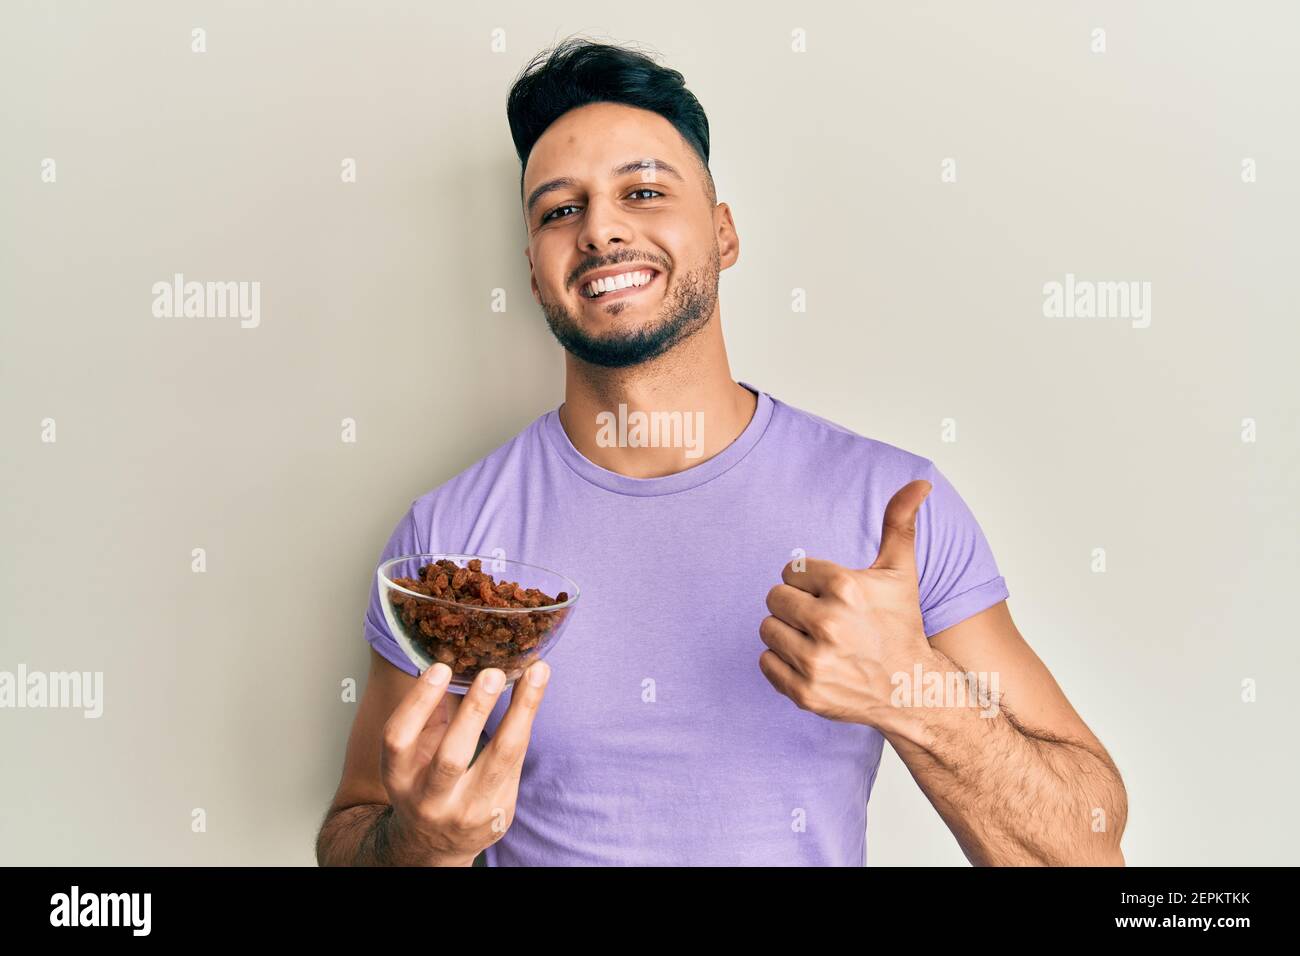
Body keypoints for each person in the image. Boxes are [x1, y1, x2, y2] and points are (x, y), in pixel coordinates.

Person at [316, 37, 1127, 867]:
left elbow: (1086, 848)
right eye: (561, 210)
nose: (601, 230)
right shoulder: (446, 543)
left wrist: (917, 696)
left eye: (643, 191)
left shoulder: (890, 509)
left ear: (724, 232)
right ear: (534, 272)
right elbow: (351, 831)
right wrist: (417, 844)